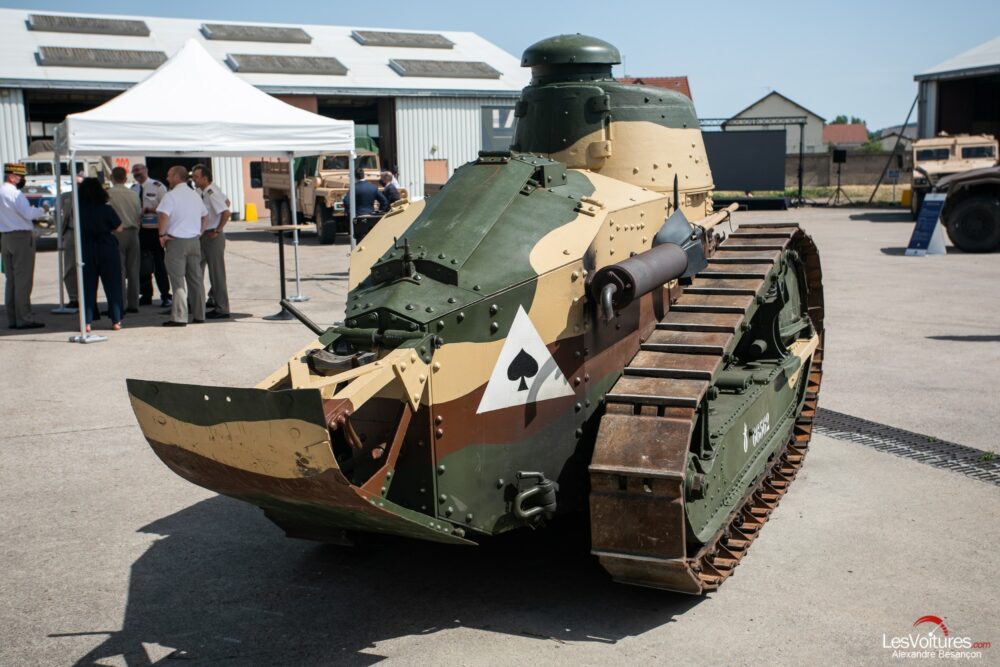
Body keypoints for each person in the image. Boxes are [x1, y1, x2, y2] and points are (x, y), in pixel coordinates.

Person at [157, 165, 207, 327]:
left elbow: (163, 215)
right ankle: (200, 315)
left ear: (177, 177)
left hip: (176, 241)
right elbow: (205, 216)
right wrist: (199, 232)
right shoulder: (195, 195)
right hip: (193, 241)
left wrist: (162, 234)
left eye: (169, 175)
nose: (167, 178)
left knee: (178, 280)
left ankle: (179, 317)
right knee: (196, 280)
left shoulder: (170, 196)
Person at [0, 162, 47, 329]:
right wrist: (42, 210)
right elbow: (28, 214)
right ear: (12, 177)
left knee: (11, 281)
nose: (22, 180)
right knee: (23, 280)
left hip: (6, 237)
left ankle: (13, 318)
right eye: (20, 177)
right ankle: (24, 318)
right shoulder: (15, 194)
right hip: (21, 238)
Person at [77, 177, 124, 331]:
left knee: (88, 286)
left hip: (86, 248)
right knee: (113, 285)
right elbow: (119, 228)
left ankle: (87, 322)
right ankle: (116, 320)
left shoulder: (78, 210)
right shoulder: (106, 208)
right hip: (107, 247)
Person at [191, 164, 231, 319]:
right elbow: (227, 201)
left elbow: (226, 212)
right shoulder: (208, 190)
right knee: (197, 269)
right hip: (205, 234)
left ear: (205, 178)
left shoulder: (211, 192)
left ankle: (222, 308)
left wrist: (218, 229)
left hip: (212, 235)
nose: (194, 179)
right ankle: (204, 300)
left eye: (196, 177)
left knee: (216, 273)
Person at [131, 164, 171, 307]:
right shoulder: (134, 189)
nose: (137, 173)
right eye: (134, 171)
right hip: (140, 231)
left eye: (139, 170)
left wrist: (148, 209)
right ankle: (146, 294)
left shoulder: (157, 186)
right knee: (143, 264)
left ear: (146, 171)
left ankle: (165, 295)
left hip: (155, 230)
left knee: (159, 264)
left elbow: (166, 207)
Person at [107, 167, 142, 313]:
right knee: (134, 269)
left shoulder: (109, 194)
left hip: (116, 233)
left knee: (118, 270)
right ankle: (134, 303)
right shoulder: (133, 194)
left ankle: (120, 303)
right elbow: (139, 213)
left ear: (111, 178)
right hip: (133, 232)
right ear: (125, 178)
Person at [342, 167, 387, 242]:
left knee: (359, 241)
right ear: (364, 175)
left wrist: (351, 214)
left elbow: (346, 201)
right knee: (372, 240)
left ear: (355, 177)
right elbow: (384, 201)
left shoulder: (354, 188)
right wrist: (379, 212)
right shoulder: (373, 187)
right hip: (371, 217)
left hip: (359, 218)